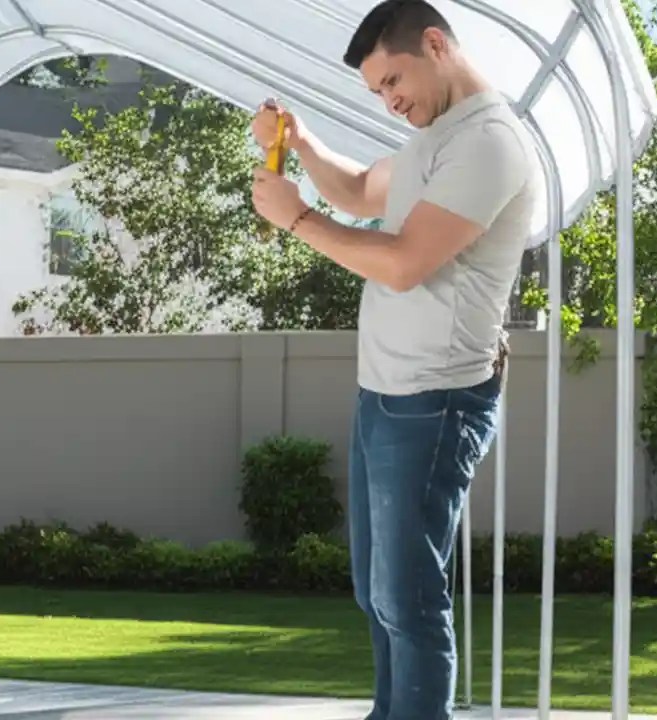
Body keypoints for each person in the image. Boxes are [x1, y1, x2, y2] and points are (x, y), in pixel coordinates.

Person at [249, 1, 540, 719]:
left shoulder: (490, 143)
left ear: (435, 43)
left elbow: (407, 262)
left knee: (406, 596)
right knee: (375, 590)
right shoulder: (431, 140)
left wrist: (296, 218)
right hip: (383, 394)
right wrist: (303, 142)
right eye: (378, 91)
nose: (390, 99)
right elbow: (356, 189)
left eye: (392, 80)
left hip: (437, 400)